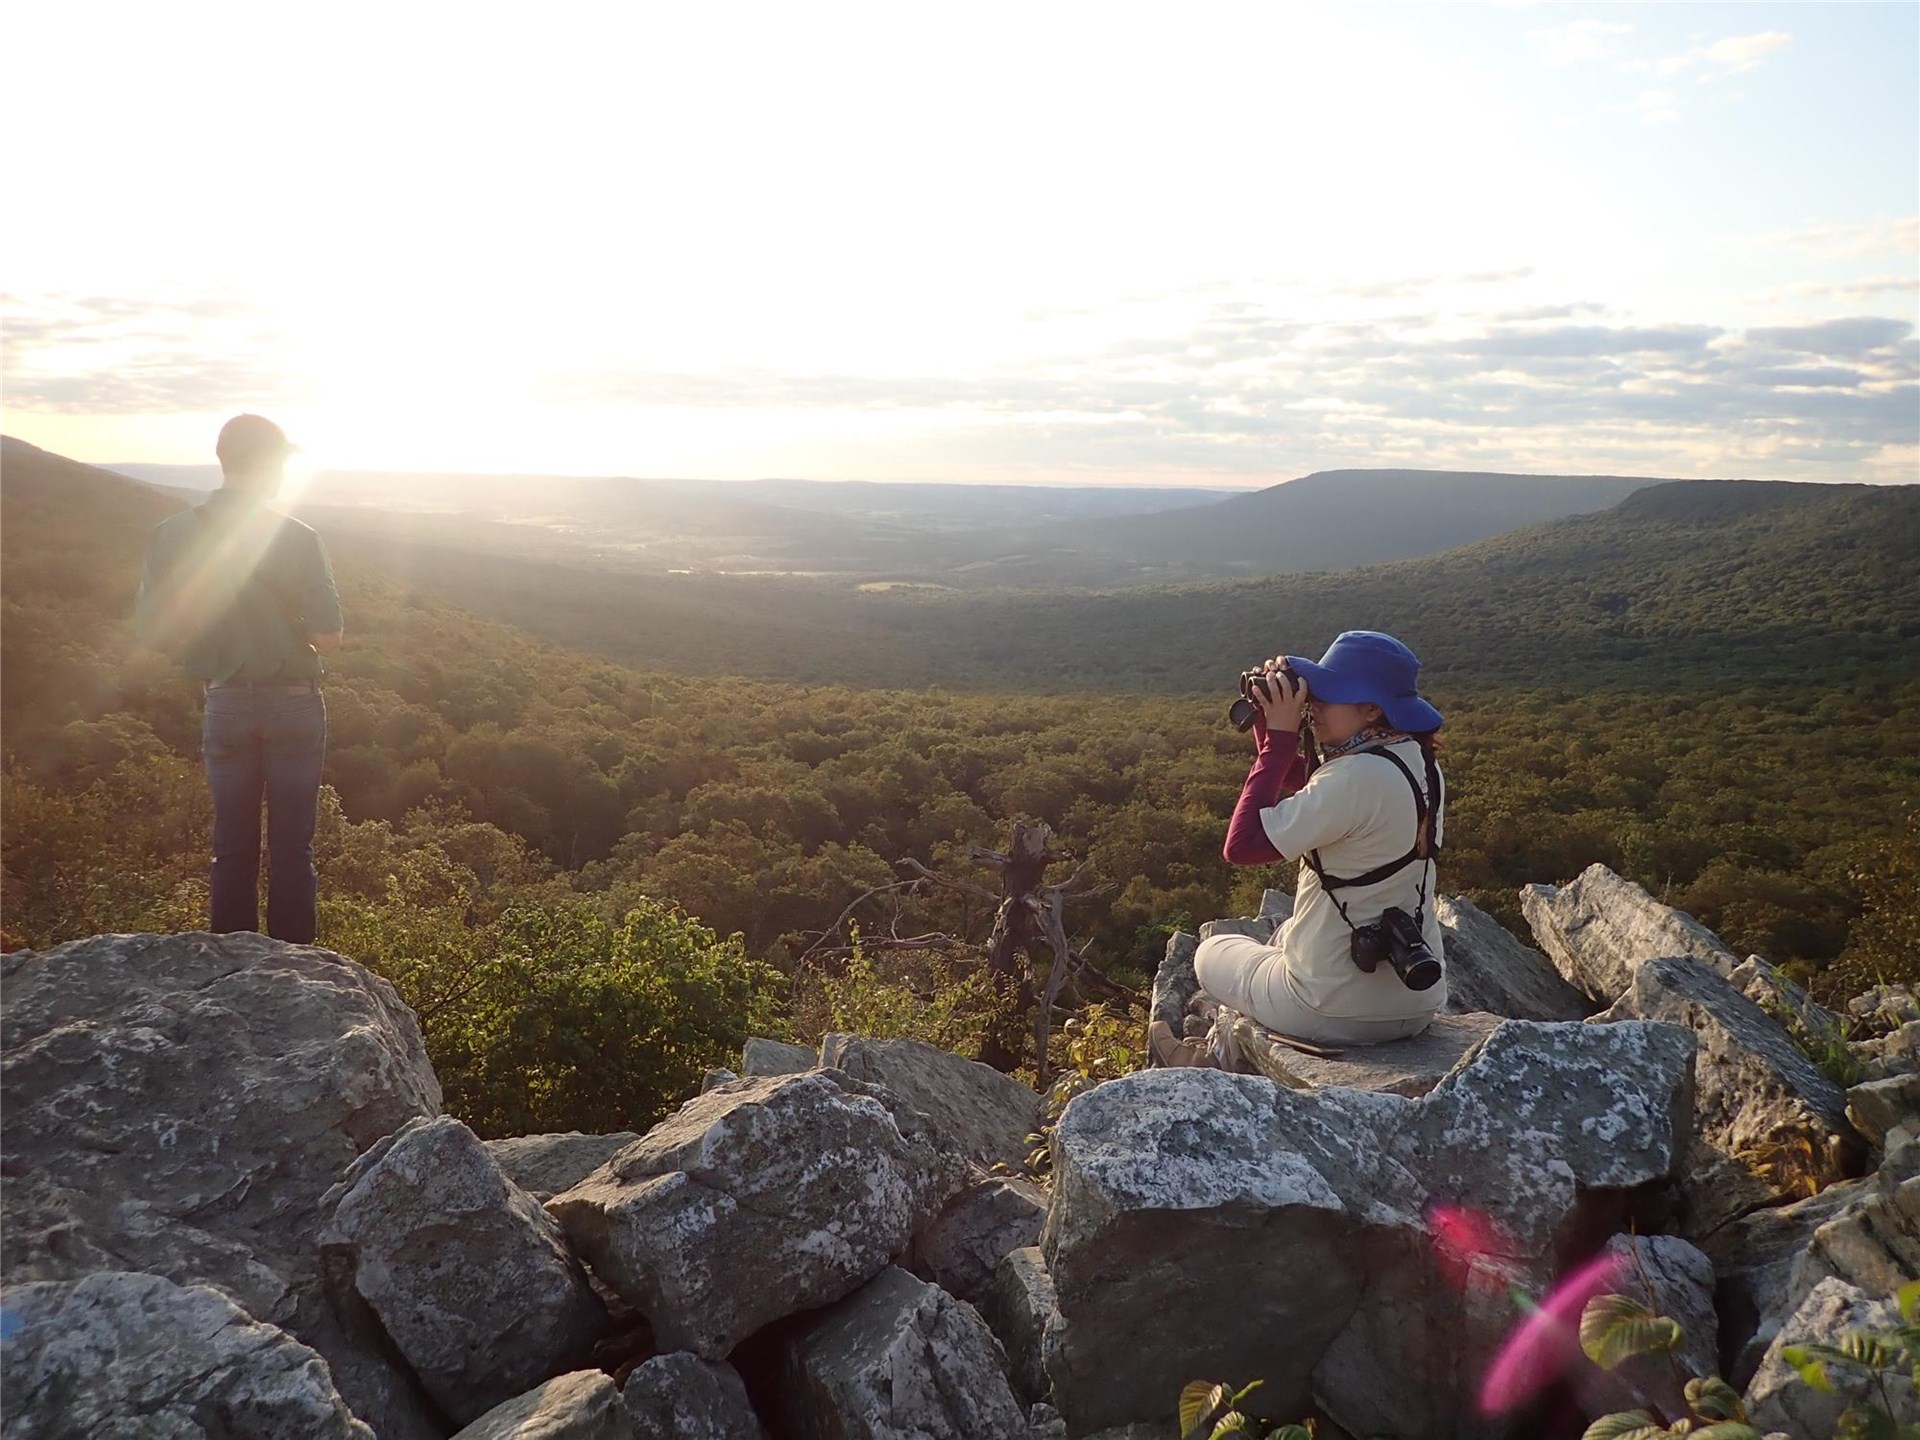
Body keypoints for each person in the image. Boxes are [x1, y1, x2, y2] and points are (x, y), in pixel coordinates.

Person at [1152, 630, 1447, 1060]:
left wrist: (1279, 739)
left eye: (1327, 697)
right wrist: (1268, 726)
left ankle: (1215, 1059)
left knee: (1211, 953)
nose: (1314, 705)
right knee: (1286, 933)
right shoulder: (1419, 762)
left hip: (1329, 1008)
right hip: (1416, 1001)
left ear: (1371, 709)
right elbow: (1307, 783)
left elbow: (1242, 846)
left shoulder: (1351, 778)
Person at [135, 414, 343, 944]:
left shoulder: (171, 535)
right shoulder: (299, 537)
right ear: (269, 465)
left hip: (224, 701)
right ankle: (291, 965)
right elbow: (329, 636)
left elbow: (155, 629)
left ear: (224, 459)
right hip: (294, 704)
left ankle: (230, 963)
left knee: (232, 845)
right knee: (292, 847)